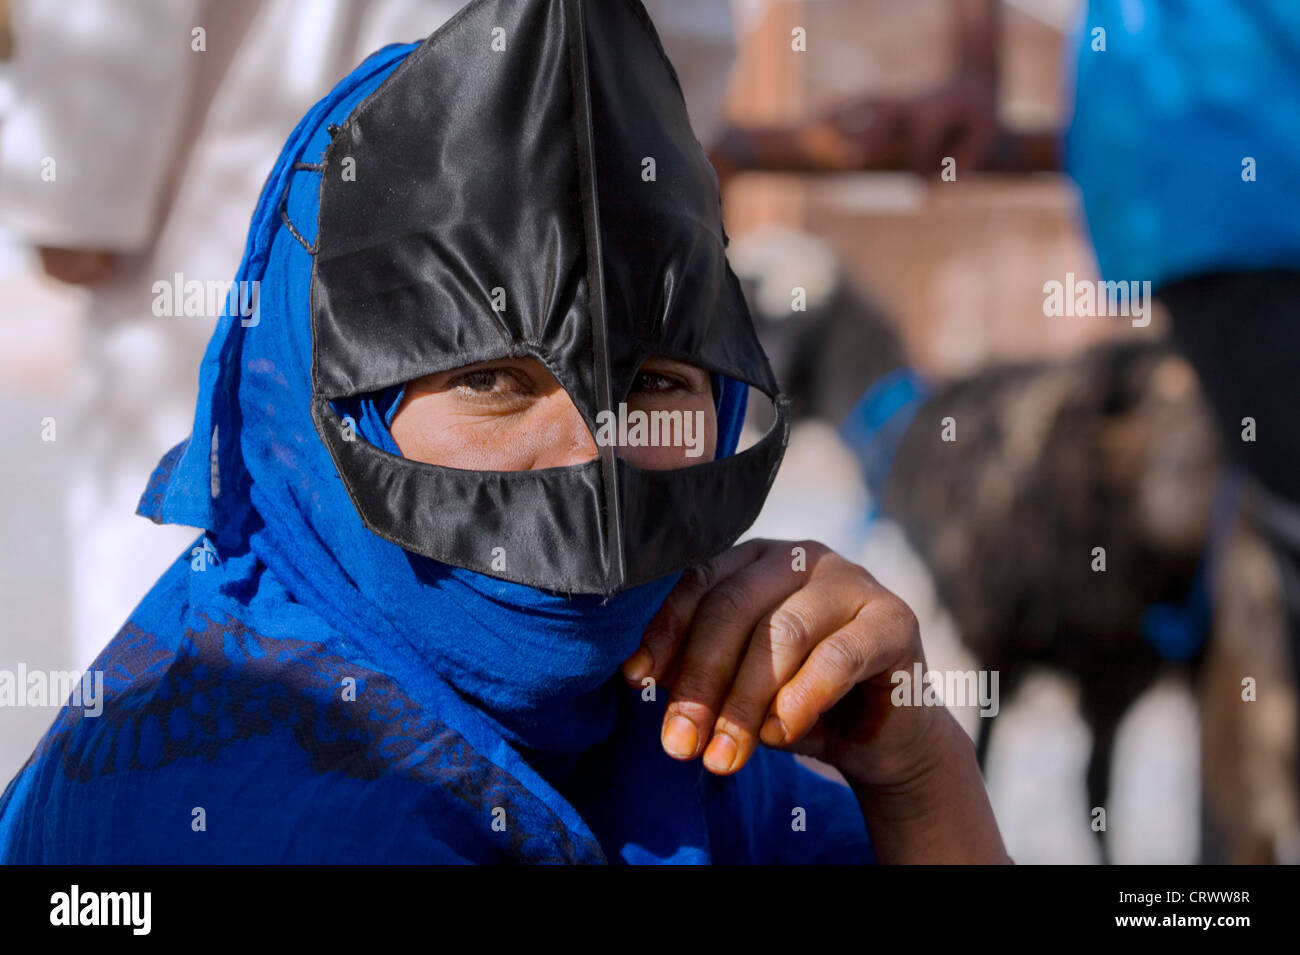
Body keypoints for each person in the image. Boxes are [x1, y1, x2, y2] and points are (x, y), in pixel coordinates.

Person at [0, 0, 1008, 864]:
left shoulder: (679, 740)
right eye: (491, 377)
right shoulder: (269, 806)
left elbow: (81, 212)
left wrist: (916, 770)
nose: (591, 457)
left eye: (654, 376)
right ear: (315, 408)